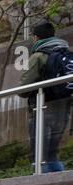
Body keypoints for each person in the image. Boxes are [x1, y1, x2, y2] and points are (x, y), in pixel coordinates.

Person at [21, 20, 72, 173]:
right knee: (52, 154)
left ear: (36, 38)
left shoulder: (38, 56)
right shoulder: (66, 54)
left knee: (39, 155)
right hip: (63, 110)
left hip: (43, 108)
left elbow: (25, 87)